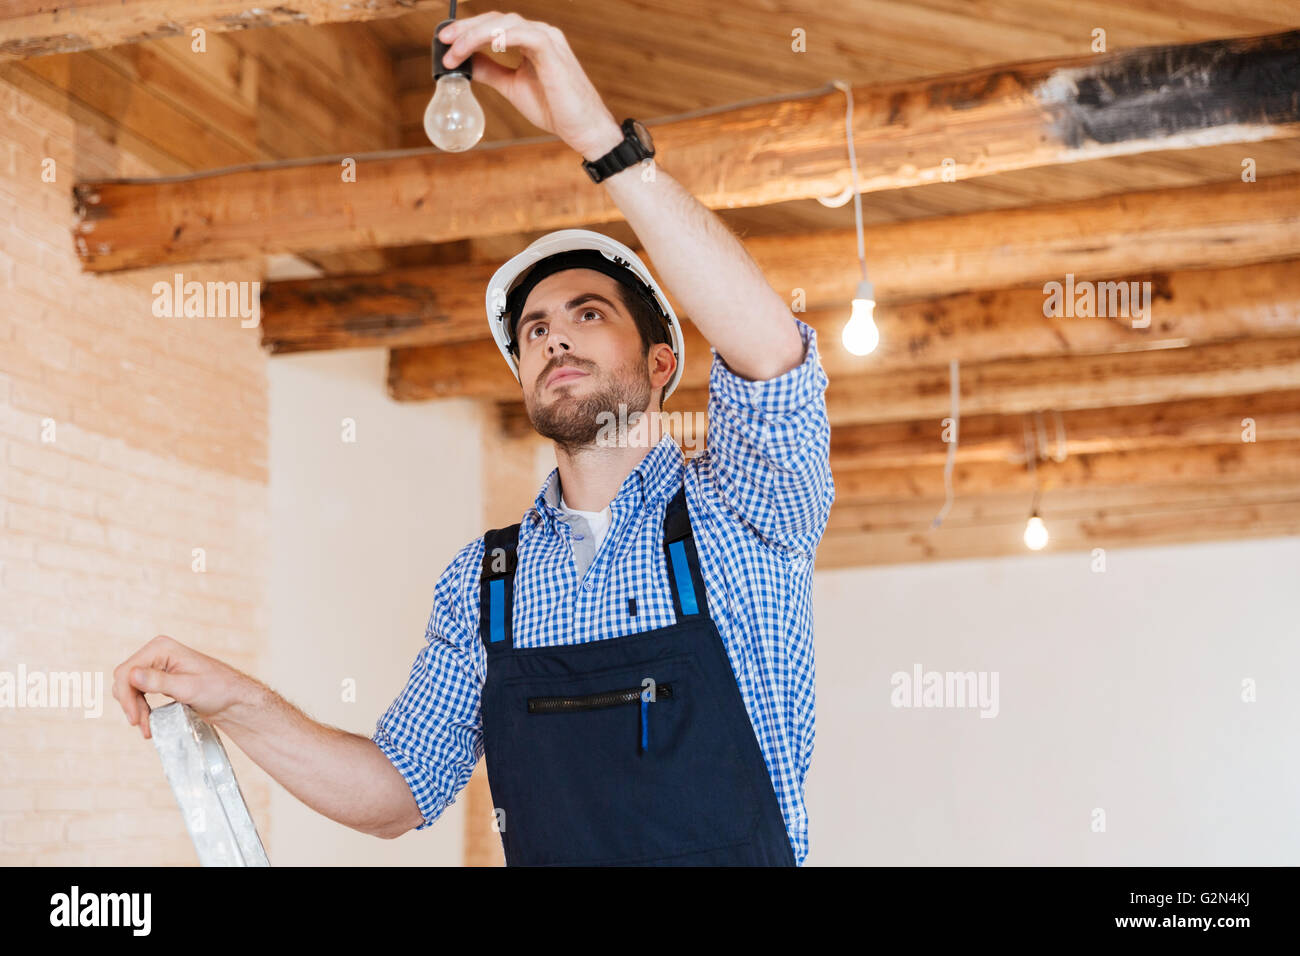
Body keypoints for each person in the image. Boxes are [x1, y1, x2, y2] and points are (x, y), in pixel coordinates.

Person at [113, 10, 834, 866]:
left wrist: (600, 141)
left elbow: (771, 354)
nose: (553, 338)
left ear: (660, 362)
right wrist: (235, 700)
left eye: (587, 314)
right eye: (533, 331)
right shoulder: (484, 585)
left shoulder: (743, 511)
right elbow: (396, 791)